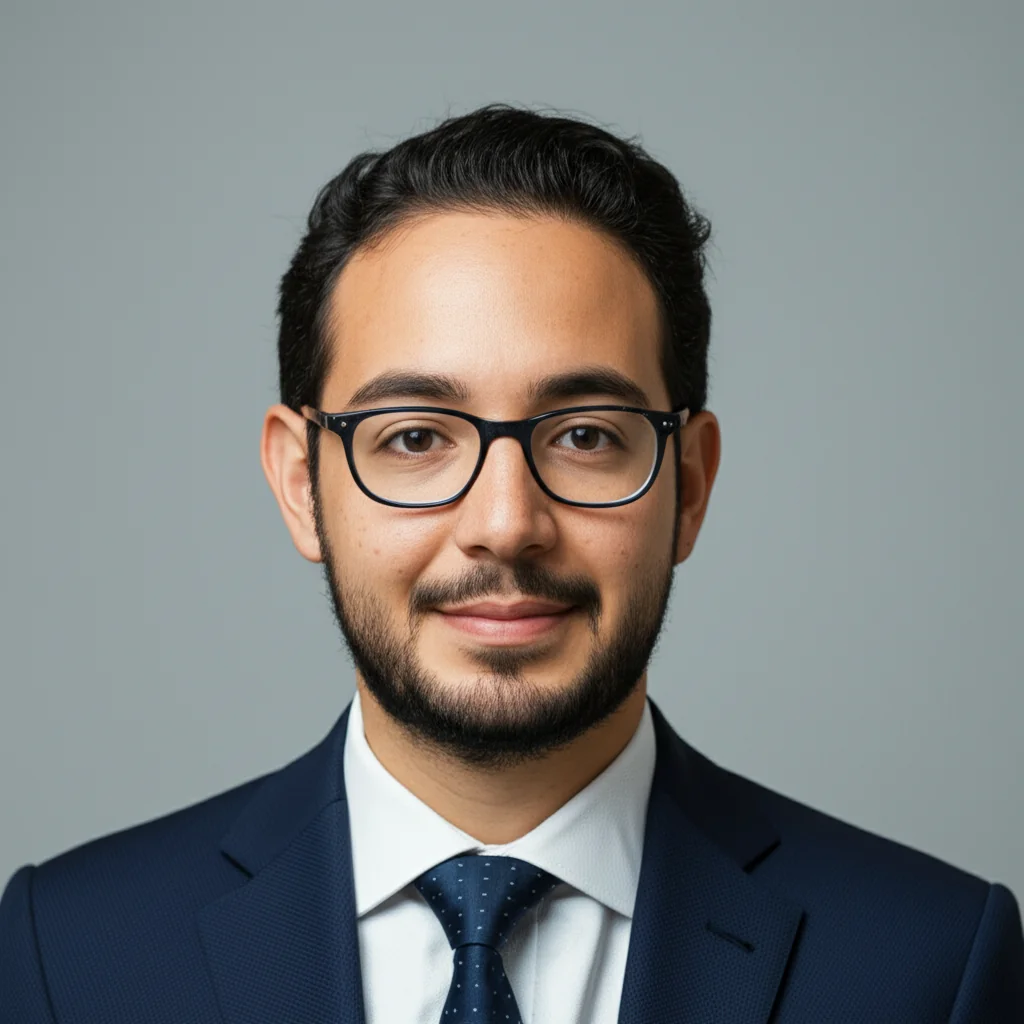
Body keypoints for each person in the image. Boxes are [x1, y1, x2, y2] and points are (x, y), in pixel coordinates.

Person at [1, 104, 1021, 1024]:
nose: (505, 523)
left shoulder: (929, 968)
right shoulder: (69, 955)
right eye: (414, 437)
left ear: (691, 485)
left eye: (584, 435)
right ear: (302, 482)